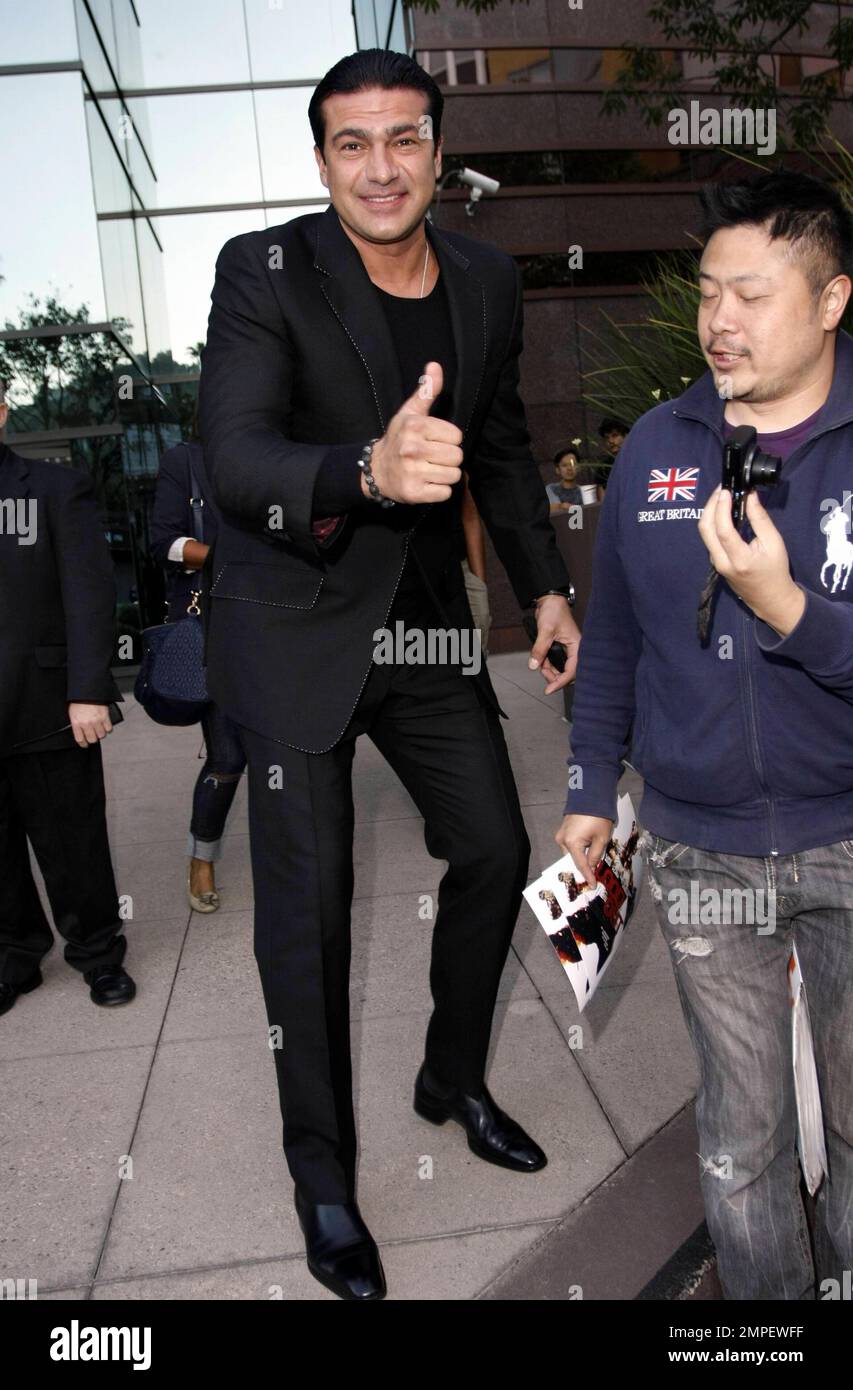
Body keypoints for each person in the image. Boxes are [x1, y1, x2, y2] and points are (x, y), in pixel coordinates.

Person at [199, 47, 580, 1301]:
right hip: (291, 632)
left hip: (419, 629)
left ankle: (451, 1073)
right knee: (305, 932)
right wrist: (363, 471)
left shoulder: (480, 277)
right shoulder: (261, 272)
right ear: (322, 160)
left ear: (435, 151)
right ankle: (324, 1177)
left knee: (491, 845)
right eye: (351, 143)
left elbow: (506, 450)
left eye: (404, 138)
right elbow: (238, 456)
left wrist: (546, 589)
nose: (380, 166)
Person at [556, 170, 853, 1300]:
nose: (719, 318)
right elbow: (616, 641)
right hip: (699, 848)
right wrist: (592, 784)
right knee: (741, 1138)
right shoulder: (653, 451)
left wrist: (790, 612)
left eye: (752, 292)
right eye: (708, 291)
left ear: (830, 301)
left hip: (844, 834)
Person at [0, 377, 135, 1015]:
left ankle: (99, 953)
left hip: (48, 703)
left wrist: (88, 689)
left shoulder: (54, 487)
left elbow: (87, 592)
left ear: (2, 409)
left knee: (71, 839)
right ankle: (14, 956)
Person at [149, 417, 246, 913]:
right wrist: (228, 559)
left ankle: (296, 859)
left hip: (282, 627)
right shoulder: (184, 461)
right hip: (214, 627)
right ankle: (201, 858)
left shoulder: (276, 455)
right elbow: (162, 542)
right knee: (228, 756)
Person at [546, 446, 601, 512]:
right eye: (564, 465)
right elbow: (548, 510)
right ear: (557, 470)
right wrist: (560, 506)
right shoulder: (551, 489)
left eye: (573, 464)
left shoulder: (584, 492)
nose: (569, 468)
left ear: (579, 467)